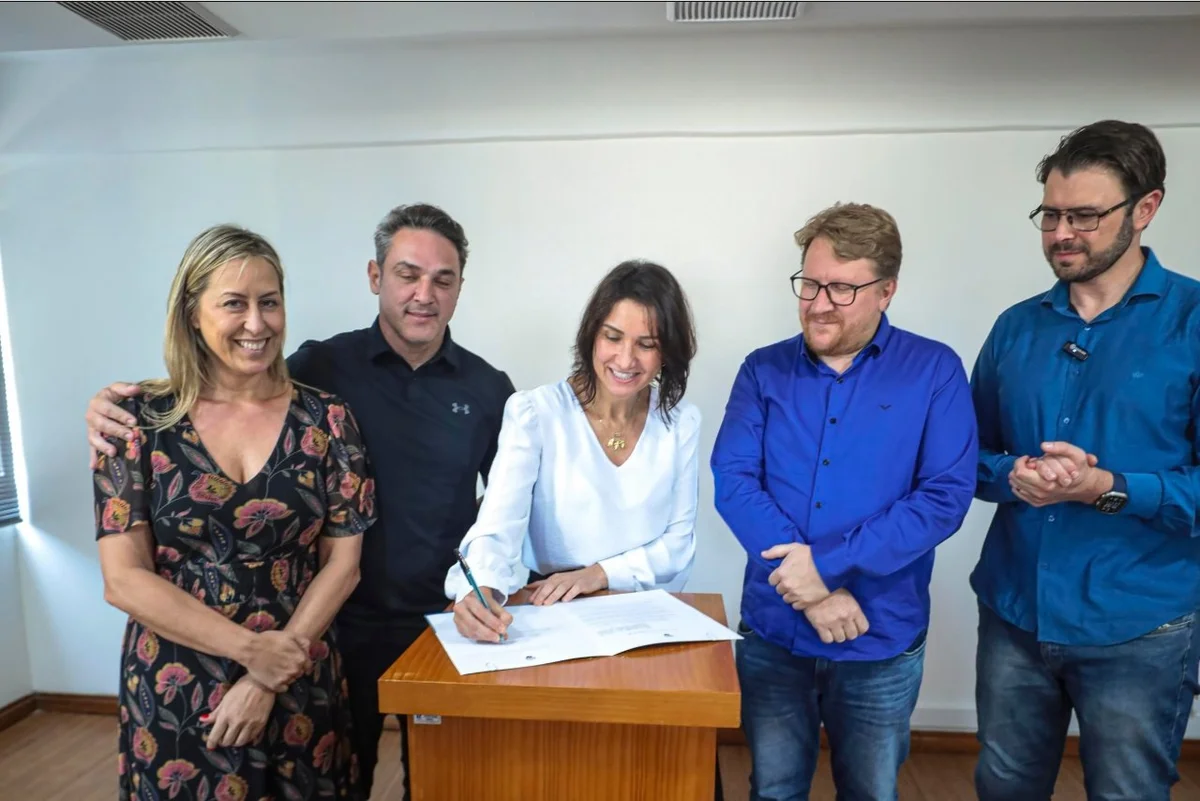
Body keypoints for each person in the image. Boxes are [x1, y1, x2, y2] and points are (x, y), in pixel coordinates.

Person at [85, 204, 516, 799]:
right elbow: (125, 571)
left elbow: (509, 512)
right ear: (375, 276)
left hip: (434, 626)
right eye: (407, 274)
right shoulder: (321, 368)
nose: (424, 294)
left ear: (461, 286)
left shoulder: (486, 389)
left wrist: (508, 586)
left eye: (443, 279)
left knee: (448, 785)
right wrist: (105, 407)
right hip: (324, 631)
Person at [93, 224, 375, 801]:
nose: (257, 323)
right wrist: (252, 654)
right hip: (178, 687)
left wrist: (273, 672)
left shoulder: (328, 419)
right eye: (234, 304)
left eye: (269, 302)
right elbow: (123, 580)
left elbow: (343, 564)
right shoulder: (135, 423)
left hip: (302, 673)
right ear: (193, 314)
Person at [711, 202, 978, 801]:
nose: (818, 301)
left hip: (878, 637)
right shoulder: (762, 370)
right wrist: (805, 586)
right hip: (775, 632)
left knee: (870, 791)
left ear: (887, 291)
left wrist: (824, 570)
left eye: (841, 287)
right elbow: (733, 479)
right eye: (809, 283)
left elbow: (944, 497)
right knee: (775, 788)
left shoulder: (934, 371)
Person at [970, 120, 1200, 801]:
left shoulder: (1192, 320)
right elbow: (965, 458)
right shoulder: (1016, 326)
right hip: (1015, 615)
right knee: (1004, 788)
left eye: (1086, 216)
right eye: (1051, 214)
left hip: (1139, 625)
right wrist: (1009, 474)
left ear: (1145, 210)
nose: (1062, 233)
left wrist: (1108, 487)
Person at [446, 259, 701, 644]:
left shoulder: (680, 423)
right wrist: (480, 588)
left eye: (646, 344)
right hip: (546, 608)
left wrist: (597, 574)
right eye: (612, 337)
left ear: (667, 352)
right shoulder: (535, 412)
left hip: (641, 615)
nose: (626, 359)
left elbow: (677, 544)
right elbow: (499, 524)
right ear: (591, 336)